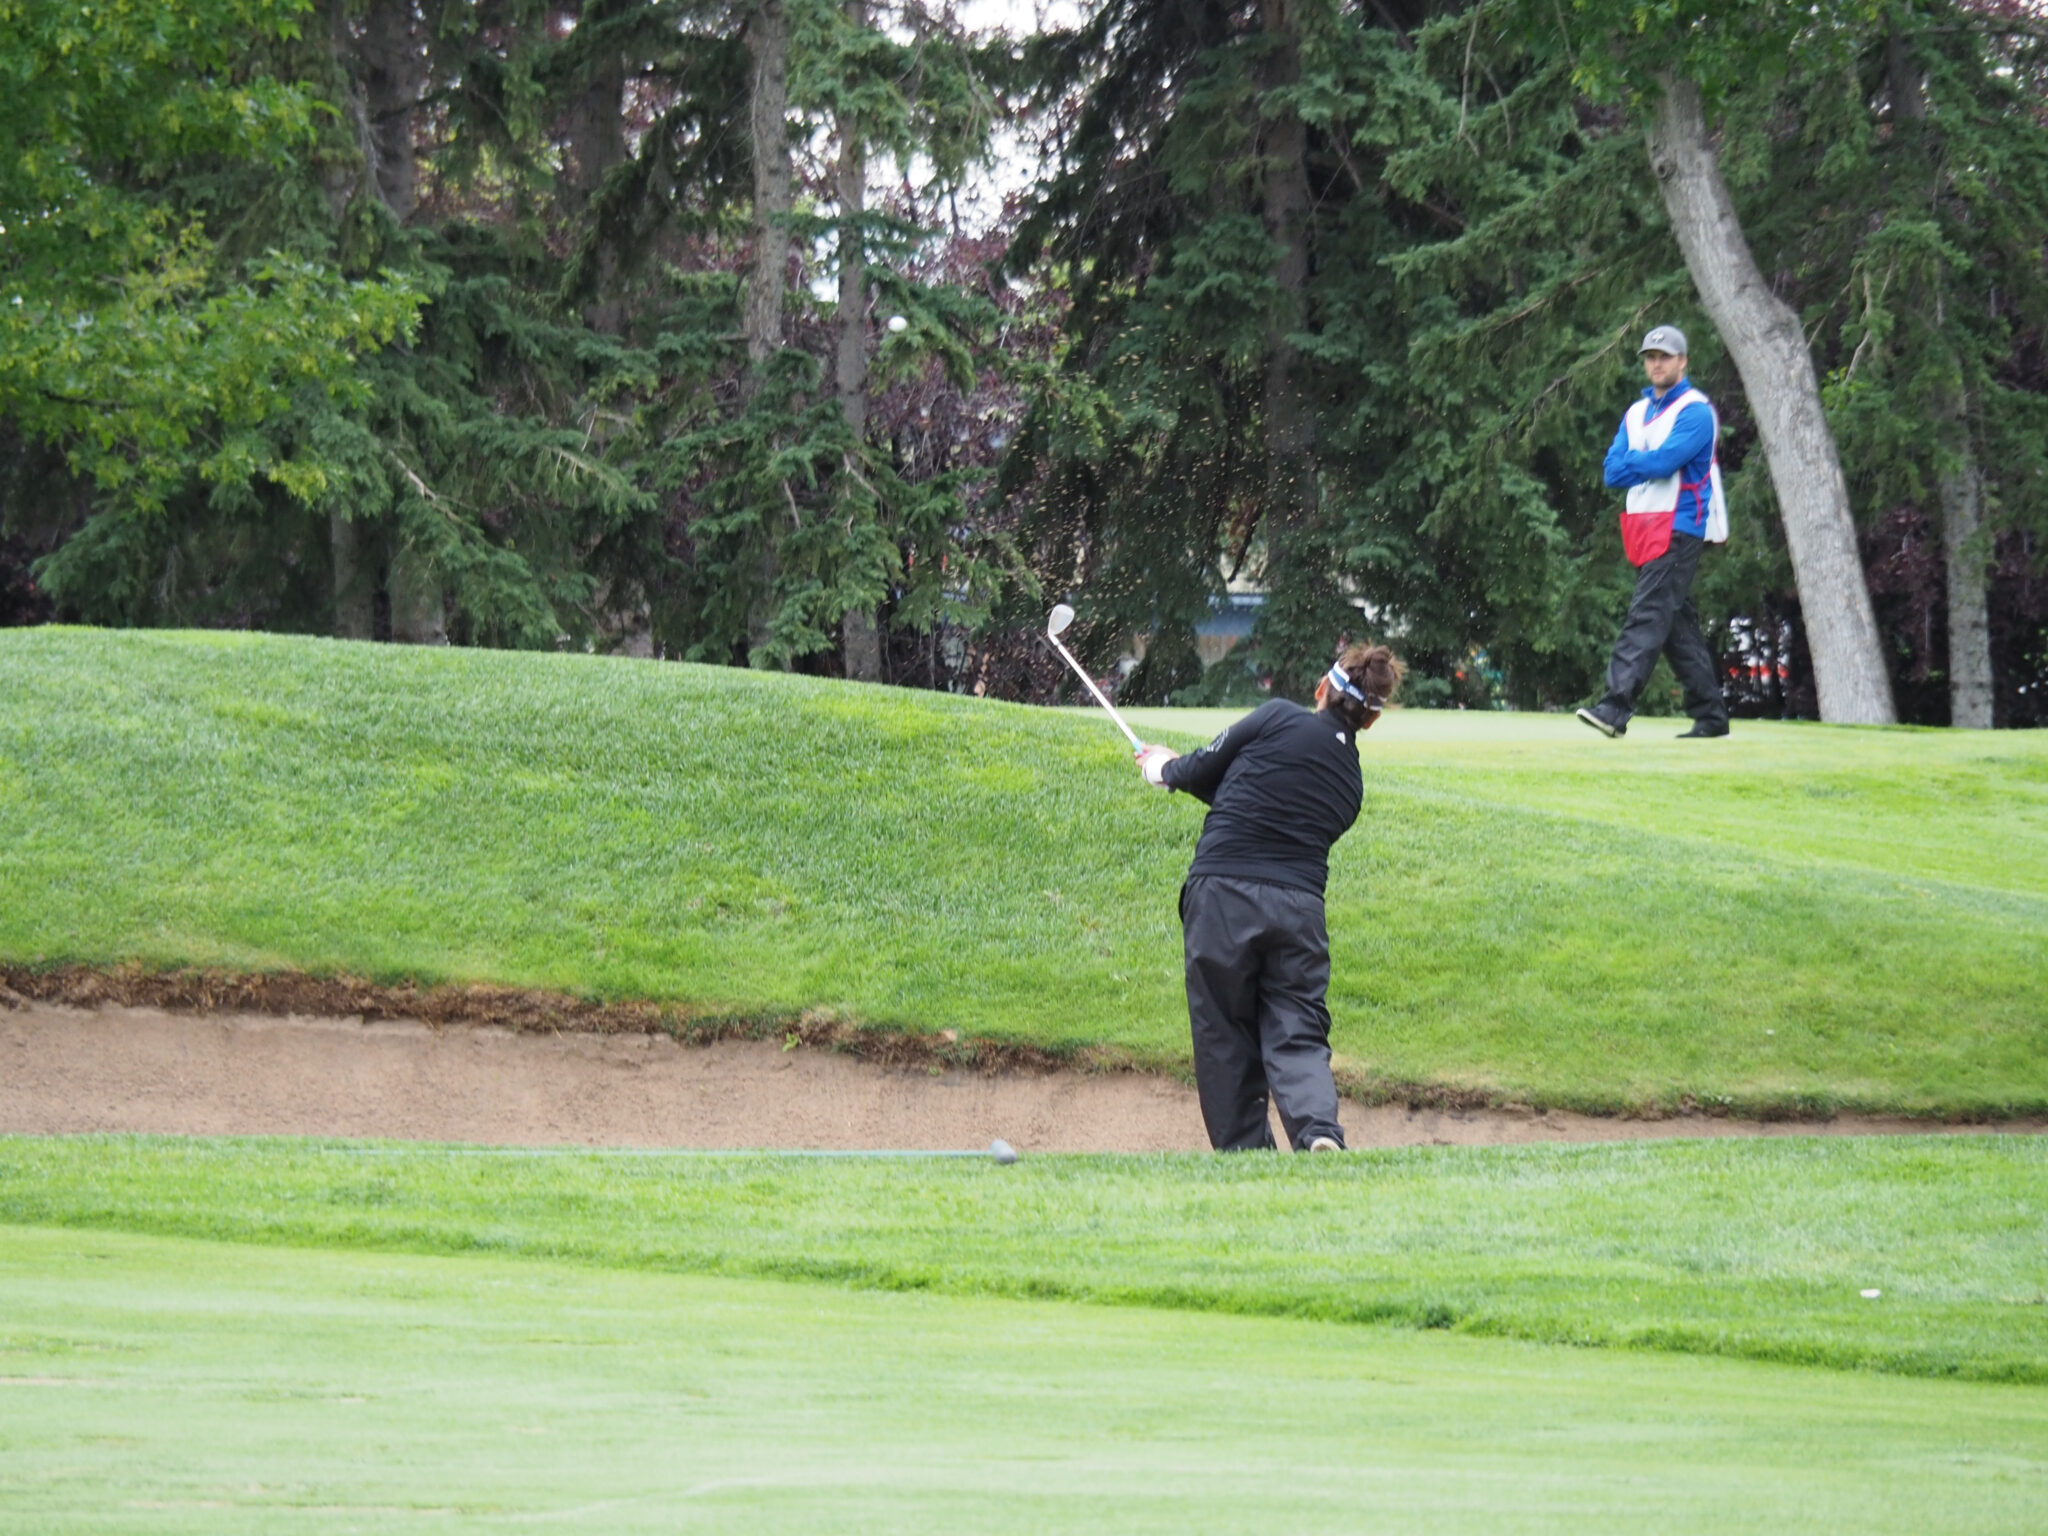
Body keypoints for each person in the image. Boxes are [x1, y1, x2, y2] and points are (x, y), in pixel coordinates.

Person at [1132, 643, 1403, 1152]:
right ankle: (1319, 1132)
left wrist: (1162, 769)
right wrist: (1175, 772)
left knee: (1223, 1033)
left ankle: (1247, 1157)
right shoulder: (1351, 785)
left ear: (1322, 688)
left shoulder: (1278, 716)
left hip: (1223, 897)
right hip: (1299, 911)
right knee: (1297, 1027)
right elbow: (1247, 792)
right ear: (1369, 720)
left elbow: (1207, 771)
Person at [1577, 324, 1731, 740]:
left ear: (1682, 362)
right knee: (1676, 625)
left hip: (1680, 525)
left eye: (1665, 356)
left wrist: (1639, 459)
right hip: (1646, 526)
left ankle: (1614, 708)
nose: (1657, 363)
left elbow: (1665, 463)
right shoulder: (1635, 412)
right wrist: (1647, 460)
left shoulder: (1696, 411)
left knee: (1646, 615)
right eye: (1651, 356)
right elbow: (1612, 471)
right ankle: (1712, 717)